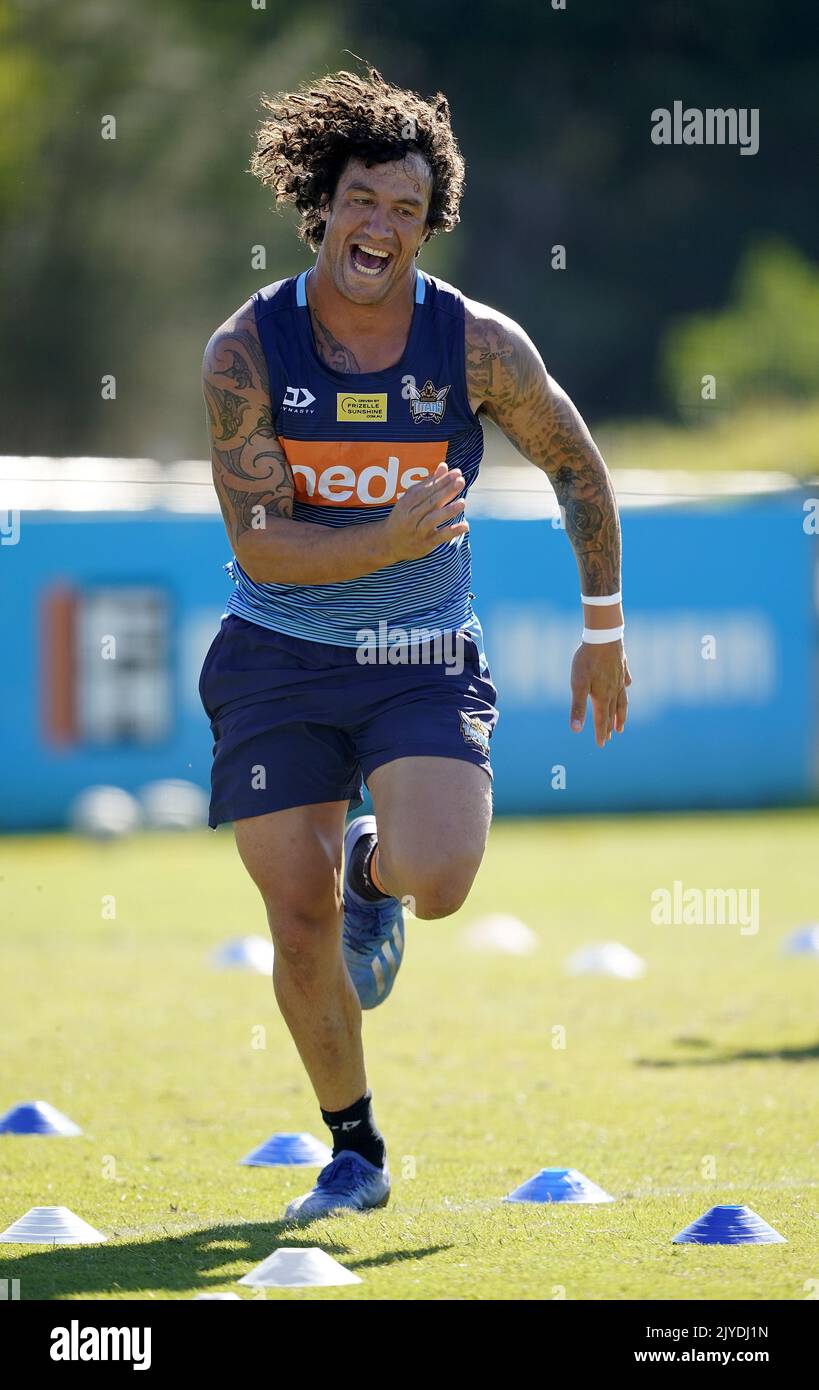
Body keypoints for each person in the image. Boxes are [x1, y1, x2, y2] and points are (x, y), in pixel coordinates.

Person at [199, 67, 631, 1221]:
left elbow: (576, 467)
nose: (378, 225)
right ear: (318, 209)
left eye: (404, 207)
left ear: (427, 224)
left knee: (439, 880)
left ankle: (371, 867)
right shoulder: (244, 354)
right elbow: (261, 544)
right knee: (294, 927)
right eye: (359, 201)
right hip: (276, 652)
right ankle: (353, 1149)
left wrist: (603, 627)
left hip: (419, 650)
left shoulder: (478, 344)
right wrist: (385, 535)